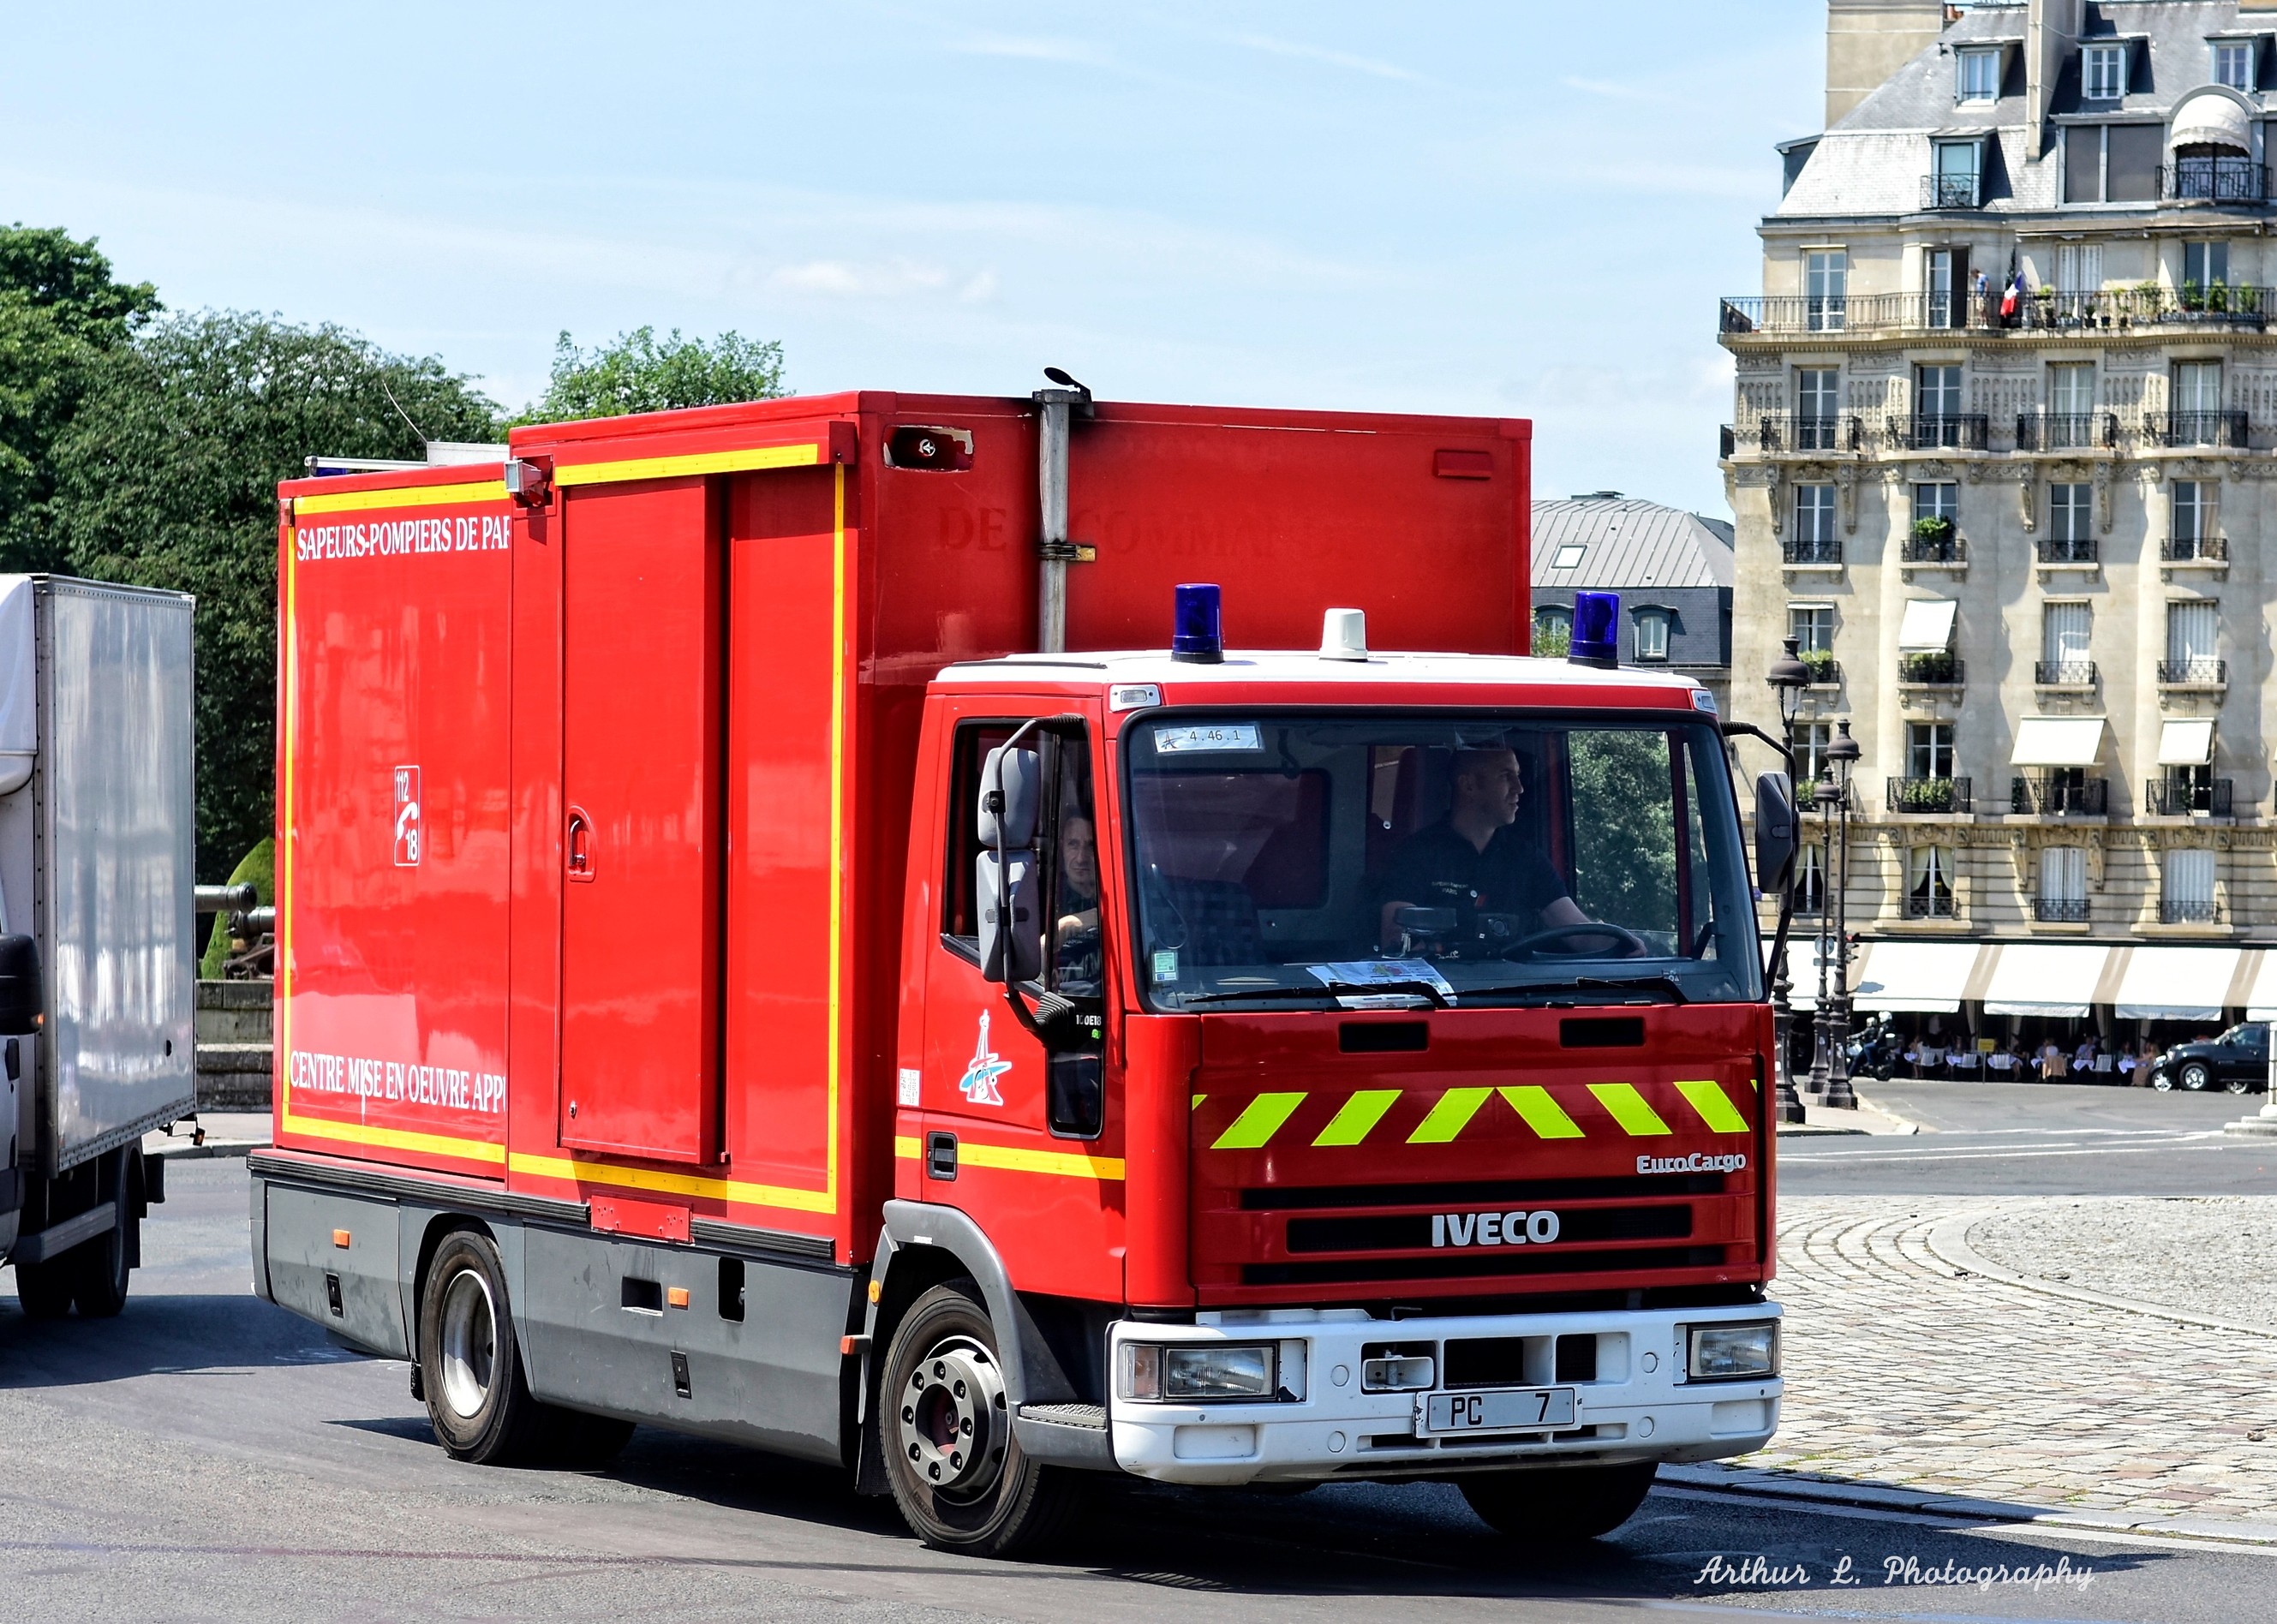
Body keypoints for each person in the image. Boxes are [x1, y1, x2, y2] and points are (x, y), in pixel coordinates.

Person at [1378, 745, 1592, 952]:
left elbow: (1580, 933)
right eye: (1506, 776)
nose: (1519, 788)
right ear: (1469, 785)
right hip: (1441, 987)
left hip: (1516, 987)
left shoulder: (1526, 859)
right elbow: (1396, 937)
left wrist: (1624, 944)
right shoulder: (1417, 854)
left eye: (1517, 775)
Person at [1052, 811, 1102, 993]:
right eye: (1073, 844)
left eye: (1090, 846)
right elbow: (1024, 963)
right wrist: (1065, 926)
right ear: (1061, 847)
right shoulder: (1046, 897)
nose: (1081, 858)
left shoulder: (1122, 895)